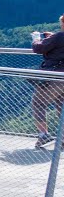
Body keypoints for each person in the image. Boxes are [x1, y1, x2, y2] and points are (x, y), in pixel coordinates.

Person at [31, 16, 64, 149]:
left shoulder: (59, 36)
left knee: (38, 103)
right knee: (61, 106)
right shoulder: (58, 37)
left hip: (54, 76)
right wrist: (52, 37)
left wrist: (36, 39)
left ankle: (44, 134)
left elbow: (39, 48)